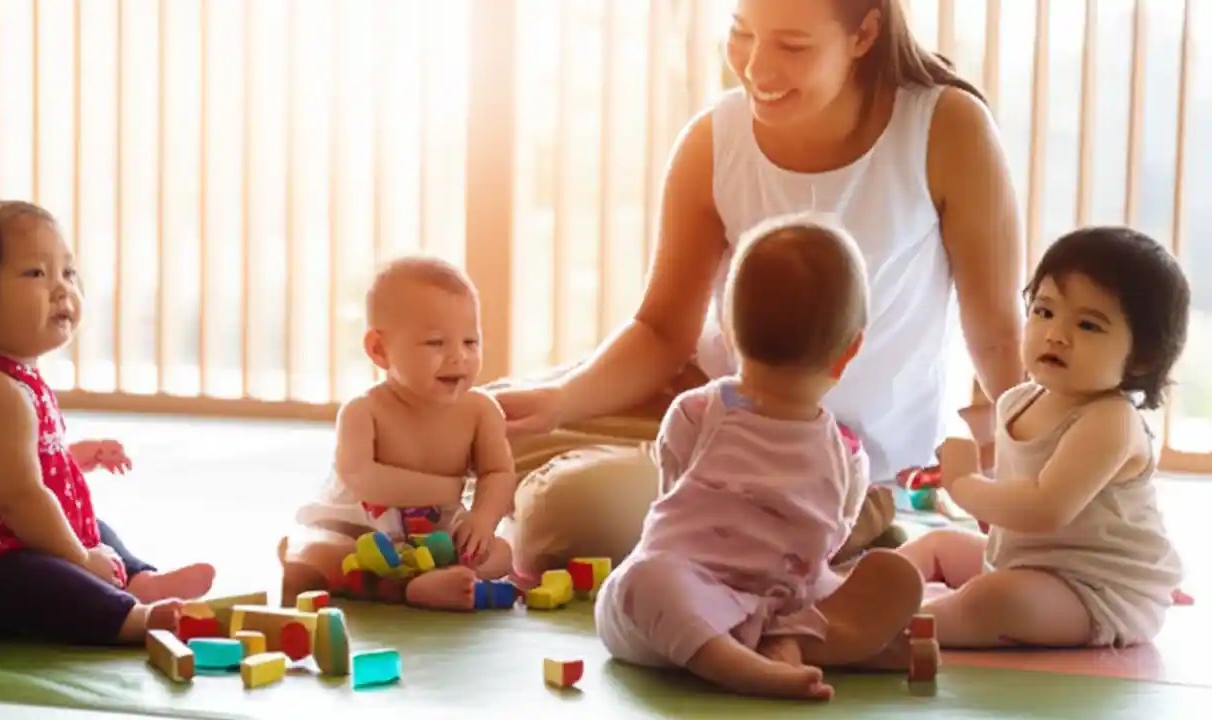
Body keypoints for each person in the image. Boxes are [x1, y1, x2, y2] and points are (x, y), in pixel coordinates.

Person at [489, 0, 1025, 582]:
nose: (757, 69)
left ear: (864, 33)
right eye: (742, 35)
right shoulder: (713, 139)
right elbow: (663, 331)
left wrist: (1031, 472)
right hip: (703, 415)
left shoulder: (946, 130)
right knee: (460, 422)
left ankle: (532, 492)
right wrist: (561, 400)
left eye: (792, 47)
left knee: (566, 518)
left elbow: (996, 335)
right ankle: (518, 473)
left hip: (843, 468)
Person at [594, 214, 926, 700]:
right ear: (849, 352)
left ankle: (760, 652)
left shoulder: (697, 413)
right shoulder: (847, 454)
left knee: (894, 576)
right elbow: (833, 535)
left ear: (728, 331)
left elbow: (670, 487)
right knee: (654, 579)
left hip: (748, 602)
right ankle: (781, 650)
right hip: (741, 598)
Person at [0, 201, 215, 645]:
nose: (62, 290)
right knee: (41, 580)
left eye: (67, 272)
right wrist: (80, 559)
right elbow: (20, 498)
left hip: (8, 535)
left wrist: (77, 458)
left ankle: (137, 580)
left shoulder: (12, 376)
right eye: (36, 274)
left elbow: (25, 464)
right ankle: (131, 618)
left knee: (95, 526)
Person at [897, 227, 1187, 649]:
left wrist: (964, 485)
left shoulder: (1111, 422)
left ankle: (887, 628)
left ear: (1142, 356)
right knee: (936, 545)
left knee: (991, 600)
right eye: (1044, 311)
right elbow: (1011, 496)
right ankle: (845, 595)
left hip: (1097, 591)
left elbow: (1043, 509)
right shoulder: (1017, 401)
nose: (1055, 335)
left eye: (1088, 325)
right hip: (1025, 562)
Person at [280, 256, 516, 611]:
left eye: (470, 342)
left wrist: (482, 520)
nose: (459, 357)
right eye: (436, 343)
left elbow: (498, 472)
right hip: (357, 530)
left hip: (433, 537)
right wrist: (447, 488)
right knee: (314, 550)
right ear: (379, 350)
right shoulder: (365, 410)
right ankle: (405, 589)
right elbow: (361, 477)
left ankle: (422, 581)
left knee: (500, 555)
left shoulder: (481, 411)